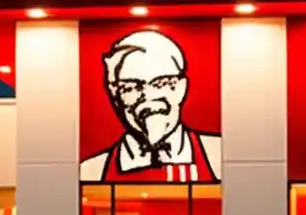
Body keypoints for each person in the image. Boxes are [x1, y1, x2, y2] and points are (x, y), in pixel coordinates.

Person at [80, 29, 221, 182]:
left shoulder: (219, 156)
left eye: (161, 83)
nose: (148, 97)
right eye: (131, 87)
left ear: (182, 88)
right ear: (115, 96)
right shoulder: (92, 171)